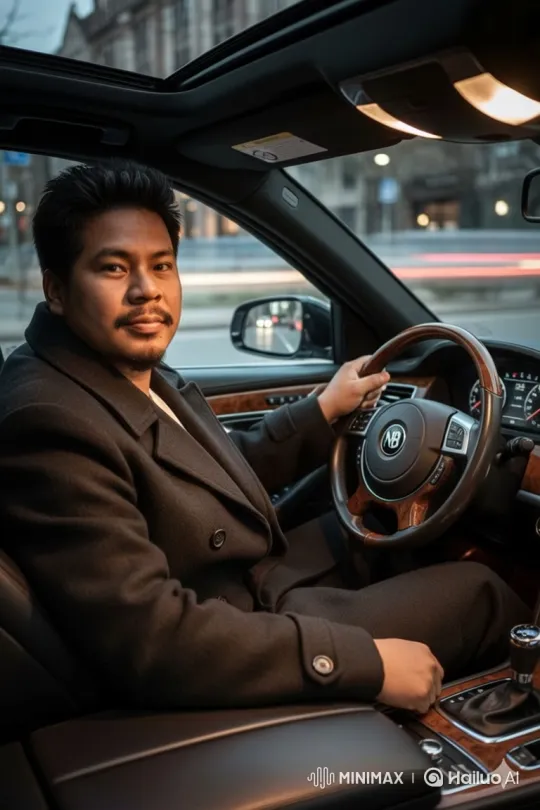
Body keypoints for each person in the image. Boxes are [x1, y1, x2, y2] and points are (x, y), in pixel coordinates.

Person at [0, 160, 529, 716]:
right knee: (481, 592)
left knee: (376, 527)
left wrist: (324, 409)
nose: (145, 290)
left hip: (244, 582)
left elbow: (217, 470)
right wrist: (365, 664)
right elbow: (151, 639)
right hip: (231, 627)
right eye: (113, 268)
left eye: (161, 265)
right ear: (56, 289)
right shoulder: (48, 421)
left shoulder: (107, 366)